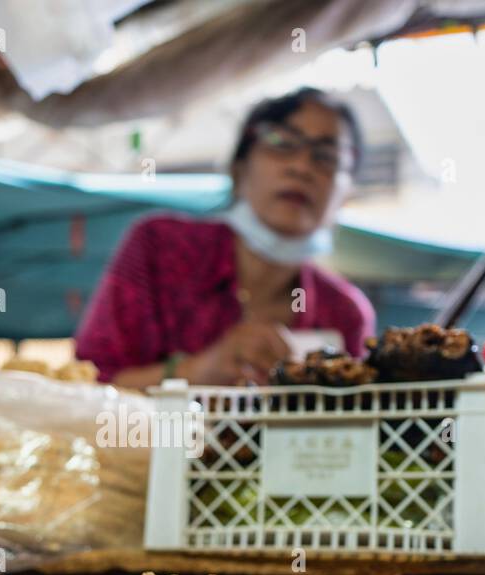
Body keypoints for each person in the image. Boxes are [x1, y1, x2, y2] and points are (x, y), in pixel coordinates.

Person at [75, 87, 376, 388]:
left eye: (327, 157)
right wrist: (195, 371)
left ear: (346, 193)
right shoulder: (159, 248)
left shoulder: (345, 315)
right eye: (282, 143)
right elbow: (88, 385)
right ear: (239, 168)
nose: (301, 167)